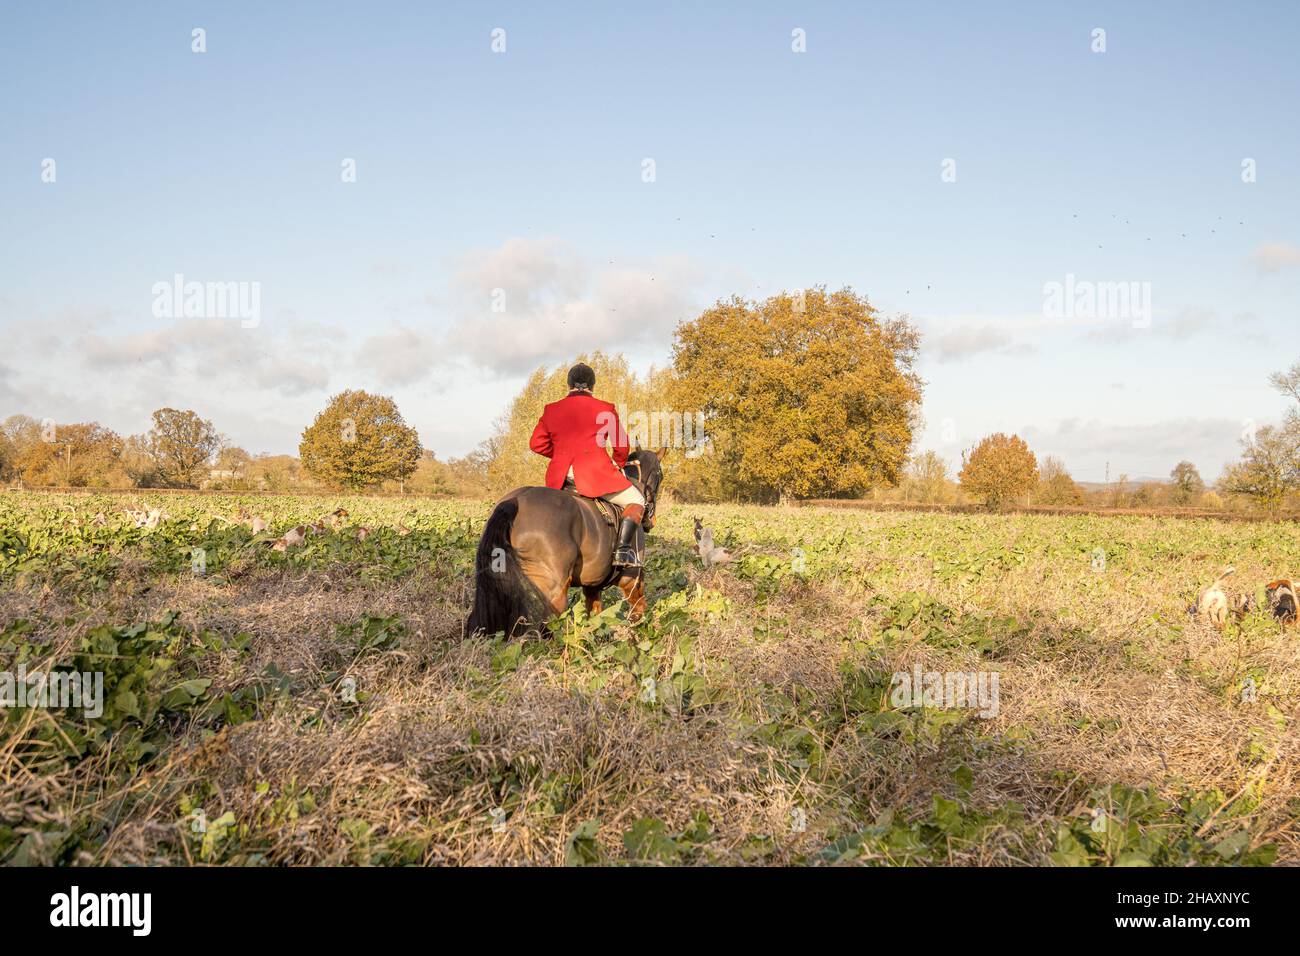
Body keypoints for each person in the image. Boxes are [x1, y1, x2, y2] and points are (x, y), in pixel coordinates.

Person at [528, 363, 646, 567]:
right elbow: (622, 446)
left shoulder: (551, 409)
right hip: (594, 476)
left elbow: (536, 444)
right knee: (637, 501)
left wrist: (561, 457)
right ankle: (622, 551)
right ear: (592, 385)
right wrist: (617, 465)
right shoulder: (605, 408)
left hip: (560, 478)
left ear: (569, 384)